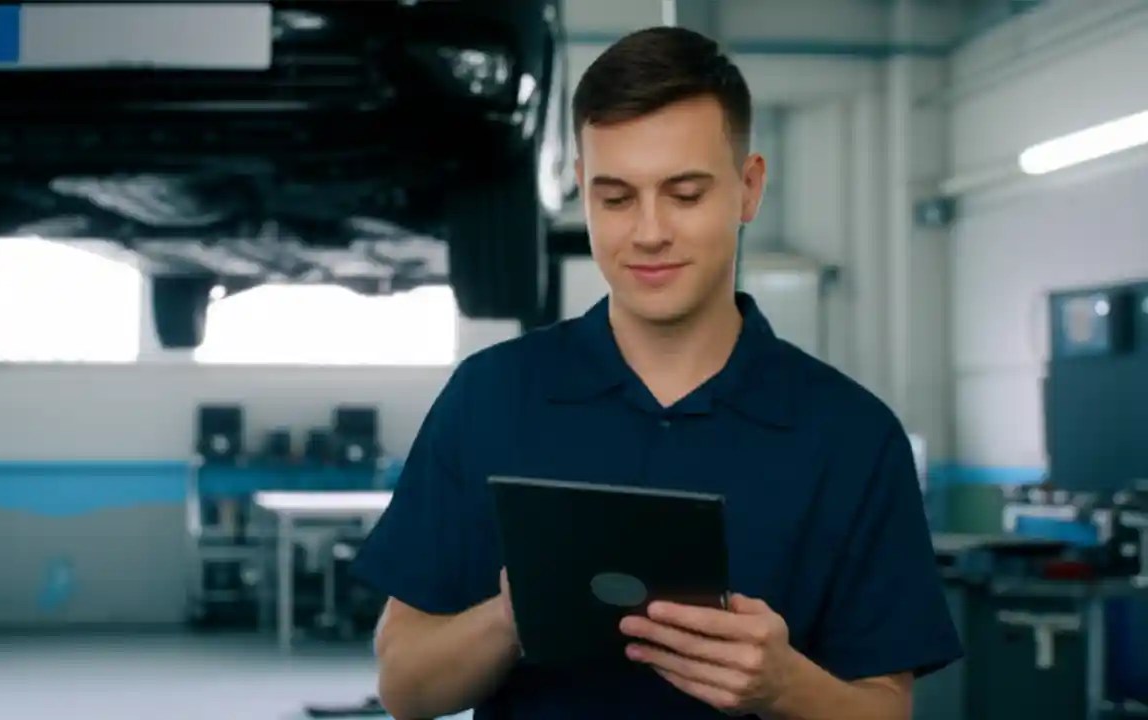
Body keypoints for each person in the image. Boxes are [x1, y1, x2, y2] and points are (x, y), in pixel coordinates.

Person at [350, 25, 962, 720]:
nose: (647, 232)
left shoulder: (851, 437)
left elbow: (888, 709)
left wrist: (783, 684)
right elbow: (404, 688)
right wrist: (513, 615)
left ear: (748, 189)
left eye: (685, 194)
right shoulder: (490, 397)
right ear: (581, 190)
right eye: (616, 198)